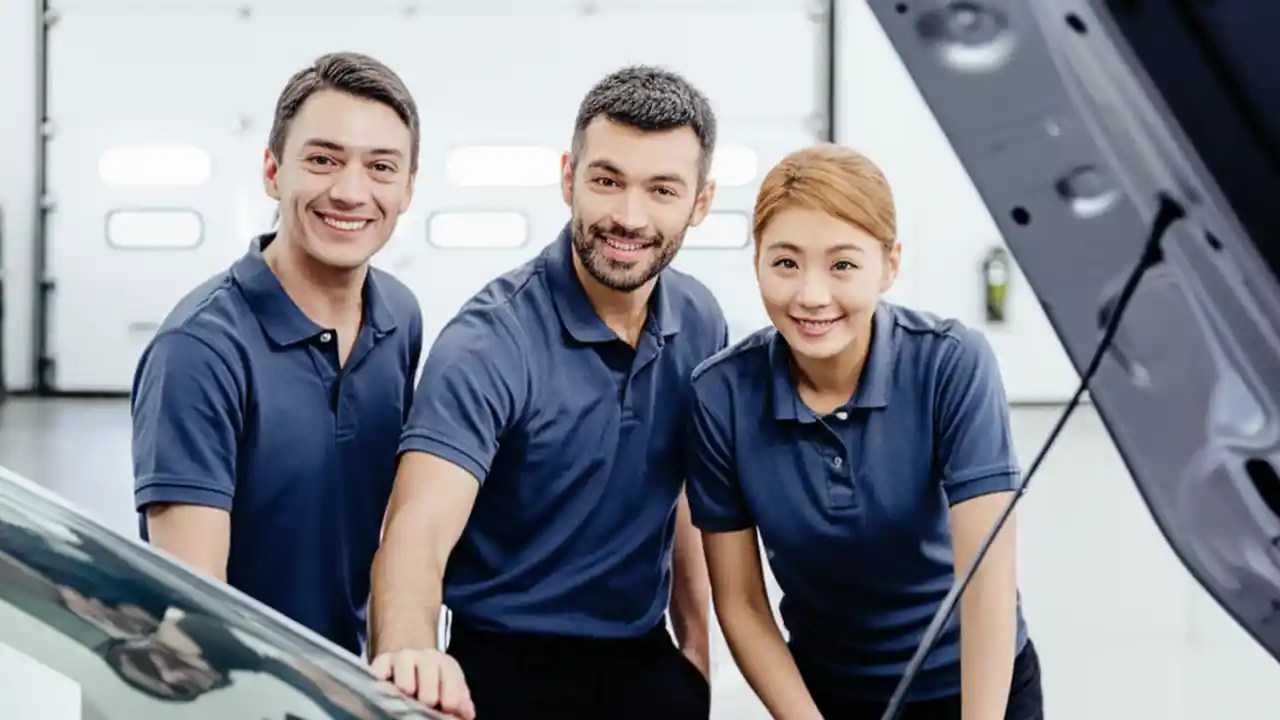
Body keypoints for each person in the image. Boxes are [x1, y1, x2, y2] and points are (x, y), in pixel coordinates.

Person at [367, 65, 728, 720]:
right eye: (607, 181)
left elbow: (683, 492)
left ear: (700, 203)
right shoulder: (488, 343)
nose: (629, 216)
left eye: (662, 190)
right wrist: (410, 649)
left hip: (642, 657)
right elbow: (418, 524)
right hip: (505, 664)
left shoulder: (700, 321)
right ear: (569, 178)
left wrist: (697, 655)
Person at [685, 144, 1044, 719]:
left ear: (890, 264)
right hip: (827, 695)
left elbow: (986, 584)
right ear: (757, 263)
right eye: (786, 263)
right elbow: (743, 603)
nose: (812, 295)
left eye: (843, 265)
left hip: (976, 686)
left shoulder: (951, 362)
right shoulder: (719, 394)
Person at [129, 51, 423, 659]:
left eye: (381, 167)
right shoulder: (199, 350)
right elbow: (195, 610)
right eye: (323, 160)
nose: (350, 192)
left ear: (408, 188)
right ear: (272, 171)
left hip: (348, 678)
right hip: (236, 681)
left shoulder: (399, 316)